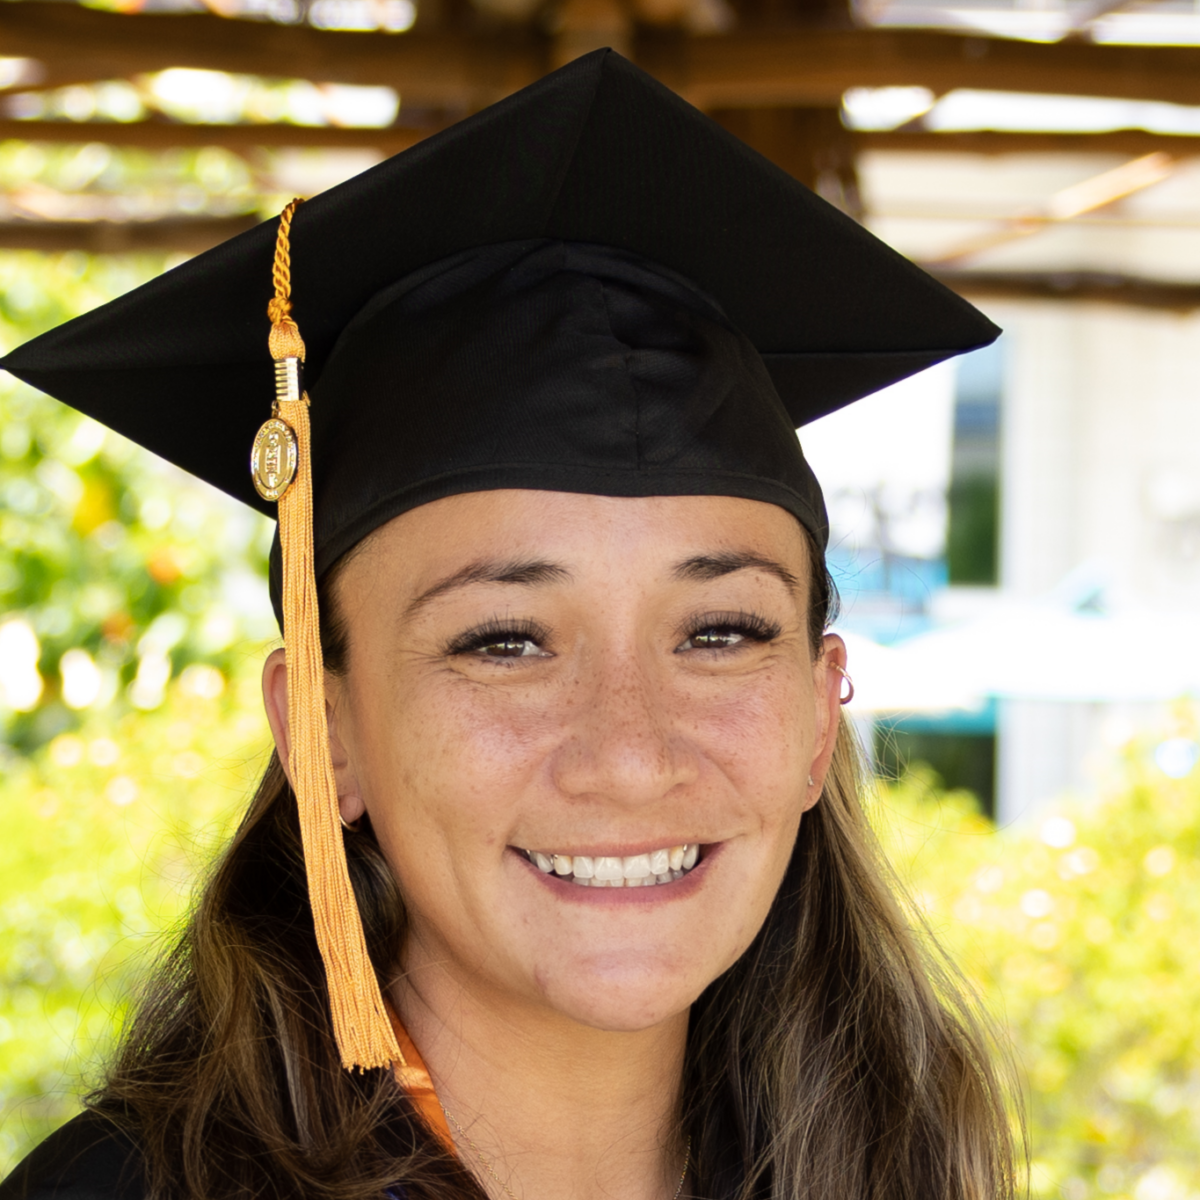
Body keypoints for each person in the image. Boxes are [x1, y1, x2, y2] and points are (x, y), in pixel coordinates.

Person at [0, 49, 1017, 1200]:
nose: (631, 755)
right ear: (325, 734)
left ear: (819, 717)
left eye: (723, 631)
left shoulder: (900, 1173)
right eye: (505, 641)